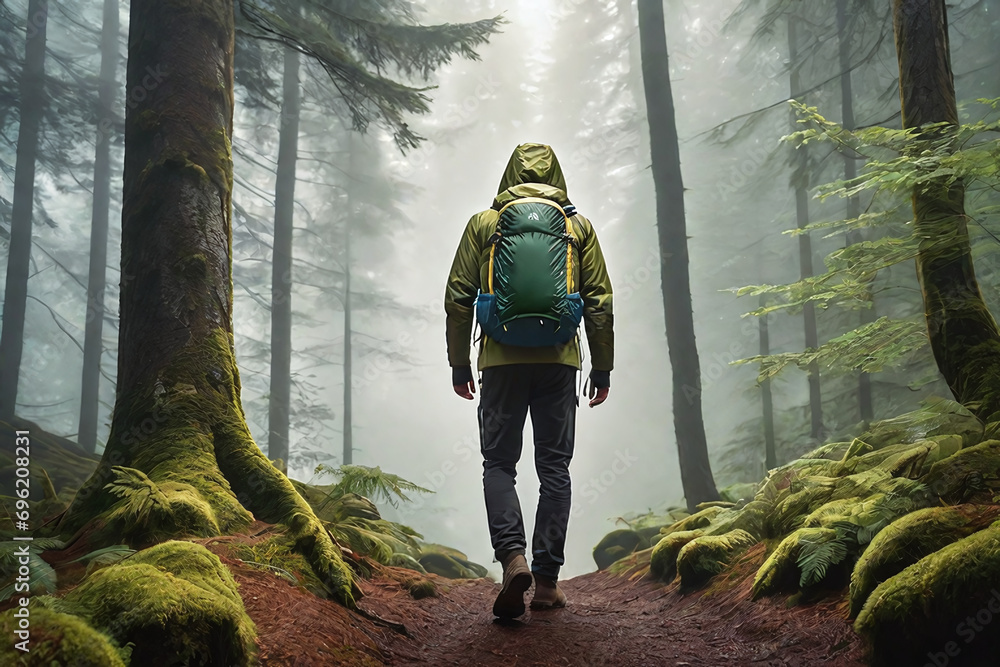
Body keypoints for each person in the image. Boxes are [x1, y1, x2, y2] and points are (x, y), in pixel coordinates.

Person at [444, 143, 614, 619]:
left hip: (499, 362)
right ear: (557, 174)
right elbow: (599, 301)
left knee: (499, 463)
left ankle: (512, 557)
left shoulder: (485, 222)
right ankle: (546, 583)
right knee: (554, 469)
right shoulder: (576, 225)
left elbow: (458, 296)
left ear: (507, 176)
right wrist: (602, 367)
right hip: (559, 362)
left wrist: (460, 363)